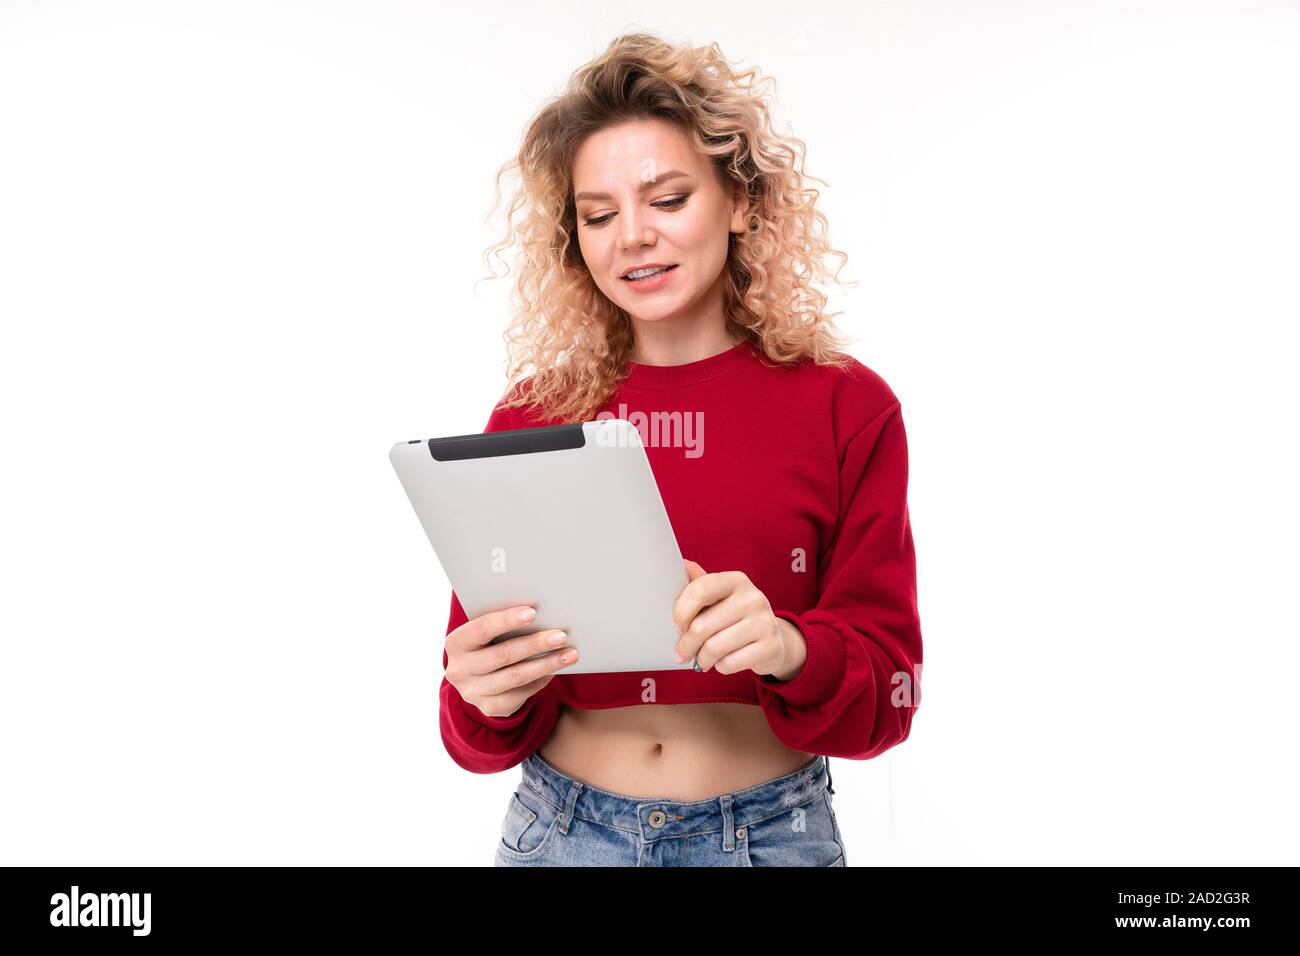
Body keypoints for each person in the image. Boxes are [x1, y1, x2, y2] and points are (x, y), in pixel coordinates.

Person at [438, 32, 923, 866]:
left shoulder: (848, 406)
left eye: (666, 199)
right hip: (561, 834)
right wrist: (477, 691)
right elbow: (477, 733)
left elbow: (889, 698)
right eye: (598, 214)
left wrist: (787, 648)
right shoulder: (530, 419)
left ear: (740, 202)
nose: (631, 236)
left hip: (772, 837)